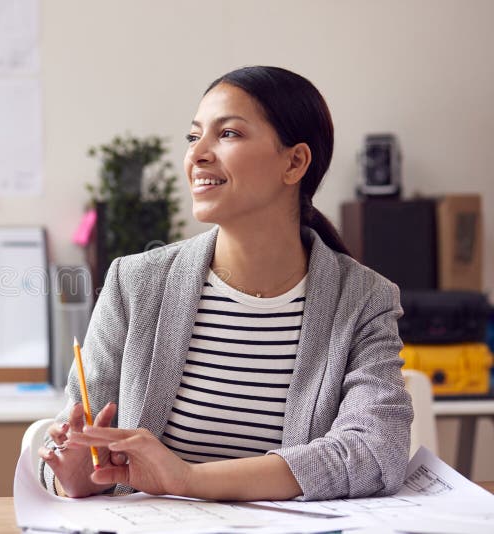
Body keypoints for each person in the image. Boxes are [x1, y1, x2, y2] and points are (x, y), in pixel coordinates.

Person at [39, 65, 413, 502]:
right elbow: (72, 446)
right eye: (194, 137)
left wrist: (188, 480)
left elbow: (375, 451)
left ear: (295, 162)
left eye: (228, 134)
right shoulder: (135, 284)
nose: (198, 155)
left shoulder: (364, 300)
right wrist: (75, 476)